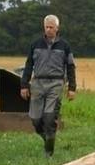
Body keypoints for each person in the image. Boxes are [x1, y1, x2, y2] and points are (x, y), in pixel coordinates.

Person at [19, 14, 76, 157]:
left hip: (56, 83)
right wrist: (24, 85)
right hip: (38, 83)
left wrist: (72, 88)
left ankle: (48, 152)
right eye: (46, 27)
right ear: (44, 27)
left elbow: (70, 67)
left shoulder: (65, 46)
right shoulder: (35, 45)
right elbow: (28, 65)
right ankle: (47, 139)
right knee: (35, 119)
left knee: (49, 117)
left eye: (51, 27)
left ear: (57, 28)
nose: (49, 30)